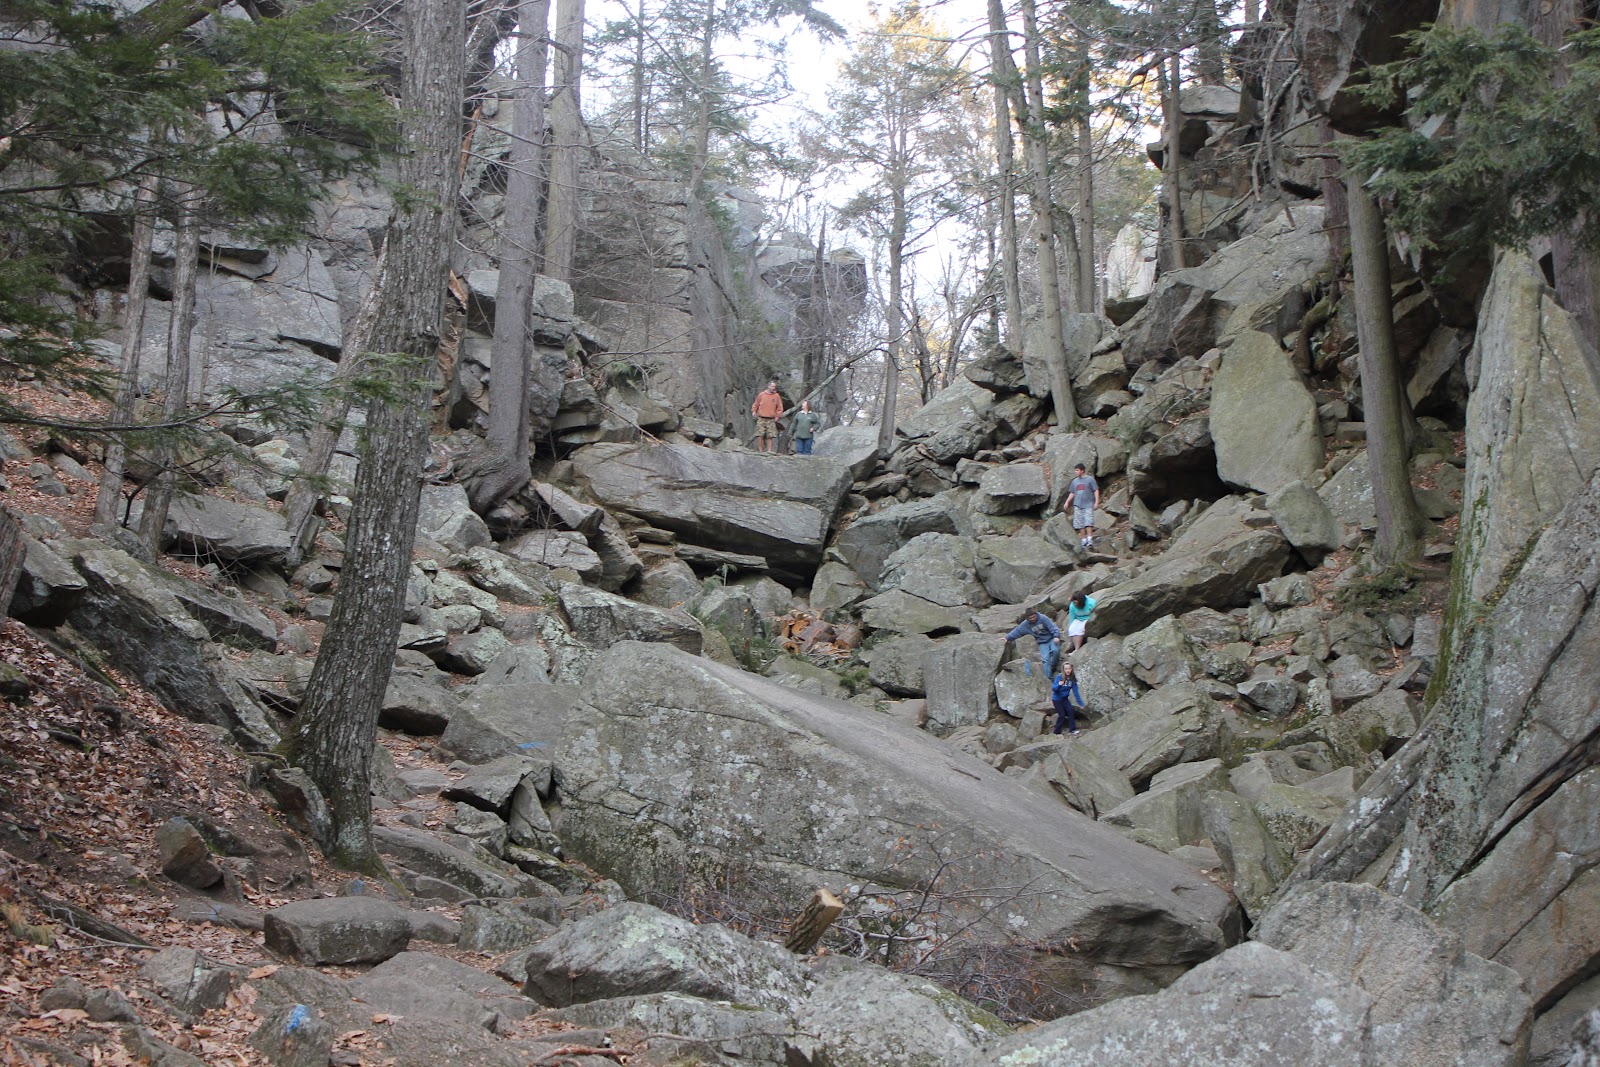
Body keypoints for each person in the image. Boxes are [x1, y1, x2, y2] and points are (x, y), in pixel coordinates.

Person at [1004, 608, 1062, 679]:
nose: (1032, 619)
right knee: (1045, 659)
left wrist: (1056, 636)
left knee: (1055, 650)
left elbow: (1053, 627)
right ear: (1027, 618)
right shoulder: (1026, 624)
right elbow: (1017, 631)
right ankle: (1049, 678)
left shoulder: (1043, 618)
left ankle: (1053, 665)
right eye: (1030, 618)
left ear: (1036, 614)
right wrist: (1007, 638)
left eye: (1034, 617)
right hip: (1042, 642)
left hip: (1052, 638)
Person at [1066, 462, 1101, 549]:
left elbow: (1096, 490)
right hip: (1077, 505)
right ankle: (1083, 539)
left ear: (1082, 471)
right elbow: (1072, 492)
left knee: (1088, 522)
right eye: (1075, 470)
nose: (1076, 472)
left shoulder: (1090, 480)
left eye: (1077, 470)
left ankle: (1089, 539)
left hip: (1088, 504)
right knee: (1080, 523)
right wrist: (1067, 502)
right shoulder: (1074, 481)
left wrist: (1097, 502)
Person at [1051, 661, 1085, 735]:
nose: (1068, 670)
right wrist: (1059, 684)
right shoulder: (1060, 676)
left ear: (1071, 669)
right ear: (1063, 670)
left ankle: (1072, 729)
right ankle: (1056, 731)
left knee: (1071, 712)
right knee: (1062, 715)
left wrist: (1081, 703)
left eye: (1069, 668)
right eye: (1066, 669)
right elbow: (1054, 689)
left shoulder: (1072, 679)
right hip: (1057, 699)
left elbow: (1076, 692)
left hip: (1065, 699)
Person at [751, 380, 784, 453]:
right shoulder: (762, 394)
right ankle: (761, 451)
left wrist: (778, 416)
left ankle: (769, 451)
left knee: (770, 435)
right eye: (772, 386)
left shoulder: (776, 396)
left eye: (774, 387)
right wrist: (754, 411)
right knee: (760, 435)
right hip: (761, 418)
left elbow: (780, 407)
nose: (773, 388)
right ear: (768, 386)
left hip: (771, 419)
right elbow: (756, 404)